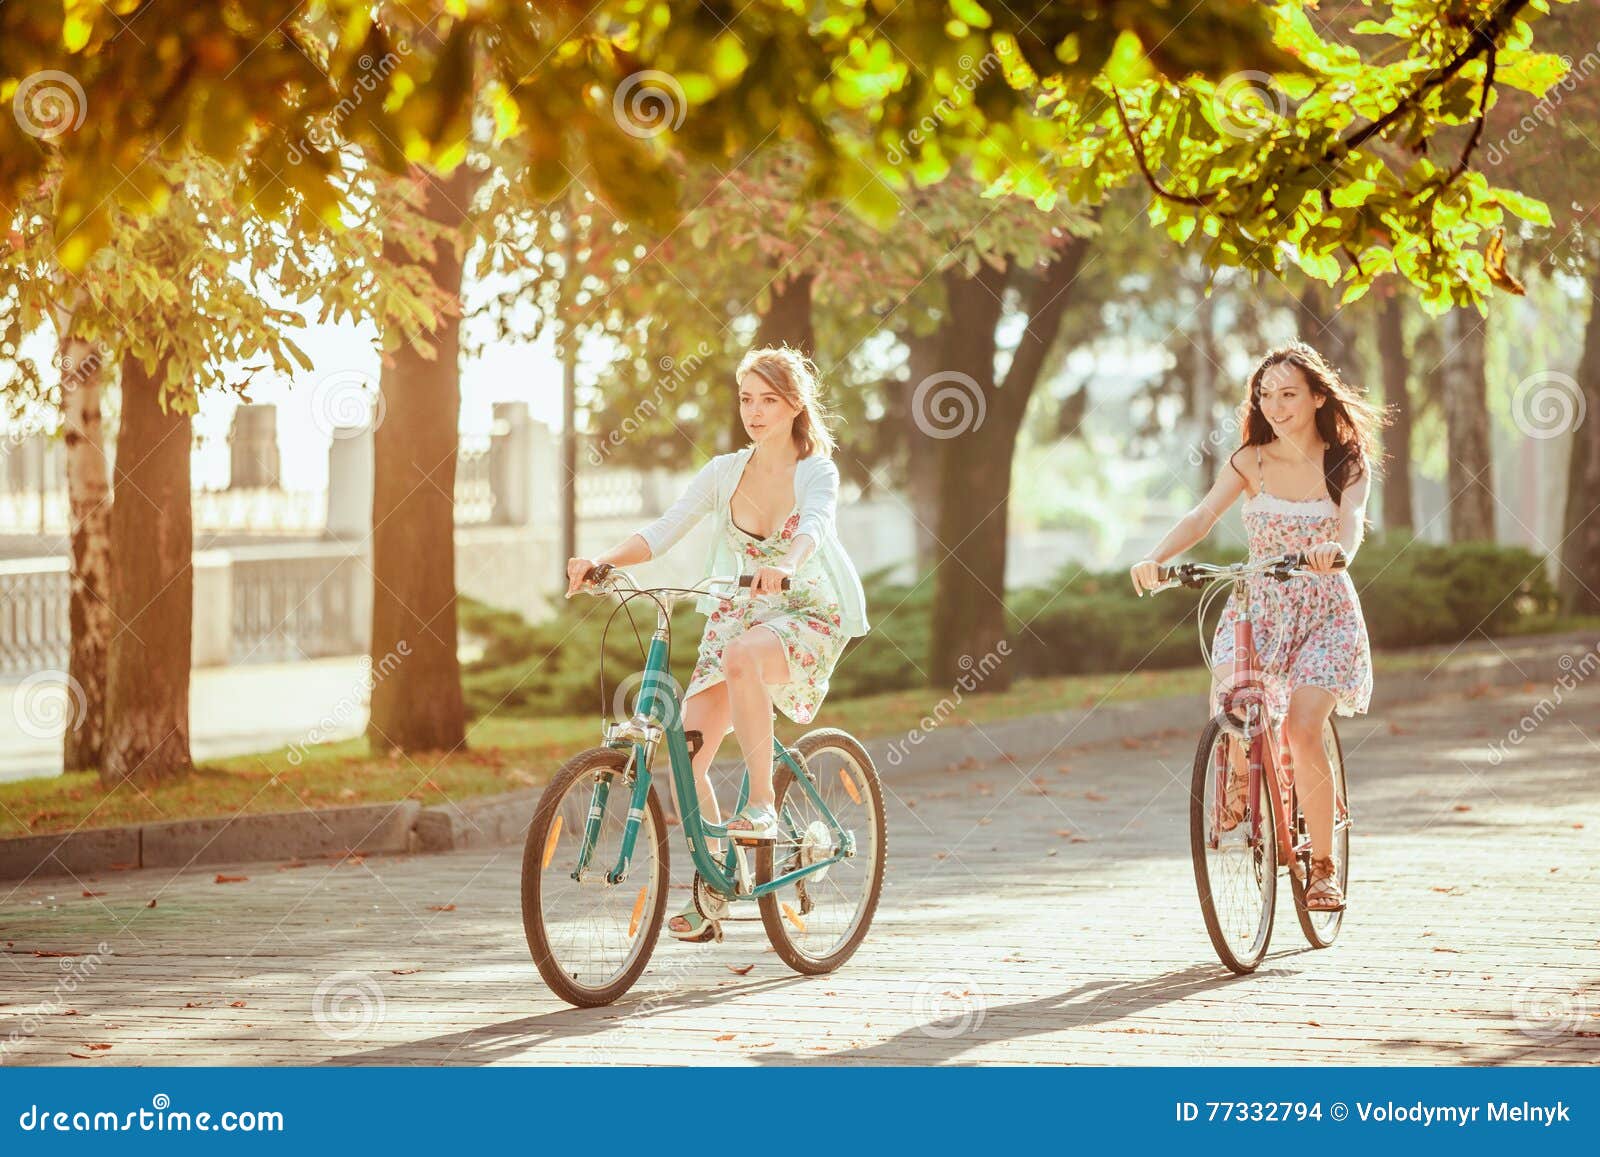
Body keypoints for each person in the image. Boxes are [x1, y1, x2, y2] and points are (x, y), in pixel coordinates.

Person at [566, 345, 870, 940]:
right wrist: (601, 560)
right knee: (688, 754)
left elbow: (814, 526)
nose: (754, 412)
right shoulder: (725, 470)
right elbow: (663, 529)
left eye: (769, 400)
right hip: (739, 609)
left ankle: (762, 803)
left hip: (805, 608)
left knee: (742, 657)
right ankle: (716, 880)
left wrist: (785, 564)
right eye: (746, 399)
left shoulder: (816, 470)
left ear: (795, 405)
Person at [1129, 342, 1381, 912]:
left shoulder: (1347, 461)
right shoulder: (1251, 460)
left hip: (1324, 612)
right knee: (1234, 700)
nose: (1275, 405)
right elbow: (1202, 516)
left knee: (1302, 726)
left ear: (1318, 396)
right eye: (1265, 395)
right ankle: (1241, 772)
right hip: (1257, 607)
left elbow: (1353, 522)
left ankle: (1322, 866)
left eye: (1289, 394)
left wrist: (1335, 552)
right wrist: (1157, 559)